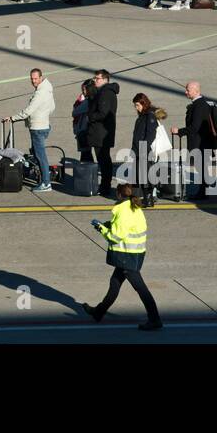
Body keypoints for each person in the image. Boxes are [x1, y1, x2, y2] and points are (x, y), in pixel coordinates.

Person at [82, 184, 163, 331]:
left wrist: (101, 229)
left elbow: (115, 237)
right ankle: (98, 313)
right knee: (114, 283)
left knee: (141, 288)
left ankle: (155, 319)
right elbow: (121, 226)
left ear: (119, 195)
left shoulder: (123, 210)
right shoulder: (134, 206)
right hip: (135, 253)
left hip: (127, 255)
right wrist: (106, 224)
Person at [5, 68, 55, 192]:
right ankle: (41, 178)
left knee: (40, 156)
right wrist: (43, 114)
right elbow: (52, 107)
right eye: (32, 79)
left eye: (36, 78)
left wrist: (13, 118)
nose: (33, 81)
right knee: (36, 154)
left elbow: (28, 111)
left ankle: (46, 183)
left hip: (37, 128)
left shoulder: (40, 93)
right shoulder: (48, 89)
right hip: (44, 125)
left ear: (41, 77)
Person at [178, 81, 217, 200]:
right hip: (203, 142)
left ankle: (203, 192)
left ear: (196, 91)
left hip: (200, 143)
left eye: (188, 90)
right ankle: (205, 187)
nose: (185, 92)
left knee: (201, 166)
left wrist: (179, 131)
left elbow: (195, 127)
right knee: (201, 166)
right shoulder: (201, 104)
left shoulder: (199, 105)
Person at [86, 70, 120, 197]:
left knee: (104, 160)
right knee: (104, 159)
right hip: (103, 132)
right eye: (95, 78)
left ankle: (105, 186)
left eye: (98, 78)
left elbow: (103, 113)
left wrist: (90, 116)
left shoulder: (105, 93)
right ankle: (105, 185)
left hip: (101, 133)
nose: (95, 80)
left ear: (105, 80)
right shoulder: (104, 92)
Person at [129, 93, 161, 207]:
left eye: (137, 105)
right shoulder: (143, 115)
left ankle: (148, 200)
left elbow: (150, 135)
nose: (136, 107)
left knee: (145, 176)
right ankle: (145, 199)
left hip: (145, 151)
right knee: (141, 176)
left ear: (143, 103)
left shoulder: (149, 116)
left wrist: (143, 150)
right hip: (139, 150)